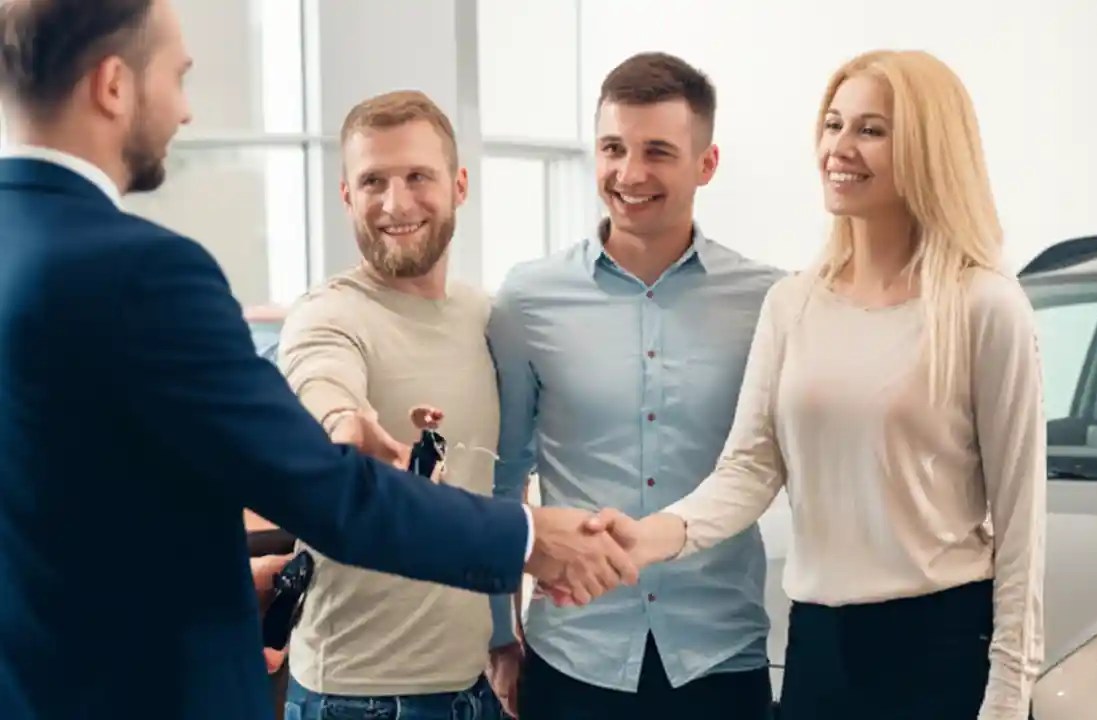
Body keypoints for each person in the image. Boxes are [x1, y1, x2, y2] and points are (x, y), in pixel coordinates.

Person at [0, 2, 635, 719]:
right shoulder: (143, 270)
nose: (184, 111)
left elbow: (57, 506)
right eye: (178, 76)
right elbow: (330, 485)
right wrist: (528, 537)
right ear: (114, 85)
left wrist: (223, 579)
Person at [580, 49, 1047, 719]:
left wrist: (1007, 695)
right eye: (833, 124)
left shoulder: (985, 306)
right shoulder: (793, 303)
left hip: (940, 645)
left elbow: (1023, 523)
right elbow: (749, 468)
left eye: (871, 129)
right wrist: (646, 537)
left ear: (927, 147)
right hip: (819, 647)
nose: (839, 148)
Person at [486, 52, 783, 720]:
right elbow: (505, 476)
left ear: (706, 164)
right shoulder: (528, 300)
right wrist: (500, 632)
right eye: (613, 148)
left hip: (719, 659)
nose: (630, 174)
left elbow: (778, 467)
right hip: (574, 657)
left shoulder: (768, 301)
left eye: (658, 151)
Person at [276, 90, 517, 720]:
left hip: (470, 682)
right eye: (373, 181)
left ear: (459, 185)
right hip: (357, 697)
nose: (395, 203)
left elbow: (486, 487)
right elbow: (318, 373)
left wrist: (501, 638)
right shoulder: (328, 313)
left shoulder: (482, 315)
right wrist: (340, 421)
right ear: (346, 195)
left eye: (418, 177)